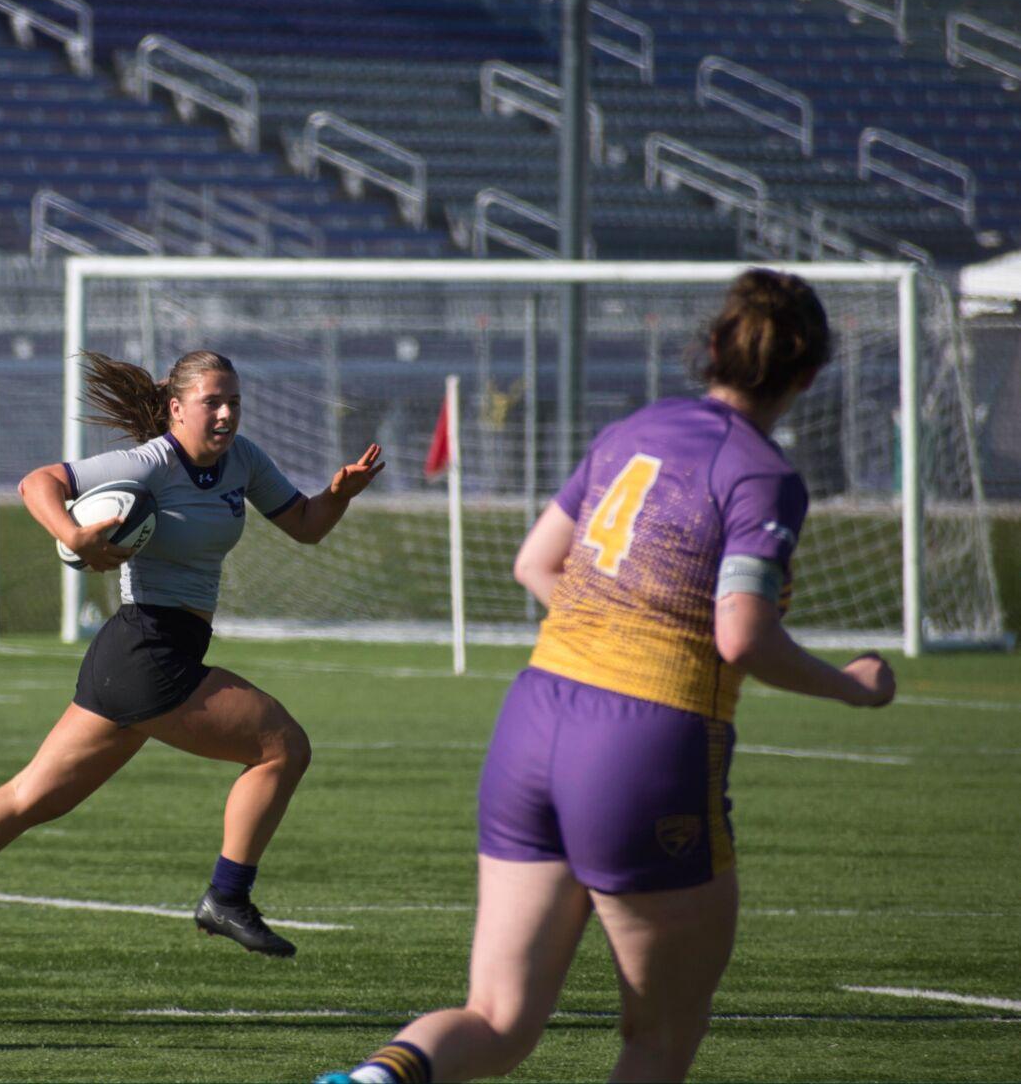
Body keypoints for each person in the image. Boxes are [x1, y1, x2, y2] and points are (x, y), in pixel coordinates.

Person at [320, 269, 897, 1084]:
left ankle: (378, 1080)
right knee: (657, 1037)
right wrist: (851, 683)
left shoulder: (635, 428)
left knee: (498, 1018)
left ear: (709, 349)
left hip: (535, 718)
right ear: (807, 377)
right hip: (644, 742)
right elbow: (739, 634)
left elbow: (534, 563)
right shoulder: (764, 473)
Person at [0, 349, 385, 989]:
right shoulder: (149, 463)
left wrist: (337, 493)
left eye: (234, 402)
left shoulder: (243, 460)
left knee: (31, 797)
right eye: (212, 402)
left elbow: (306, 526)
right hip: (149, 651)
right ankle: (227, 897)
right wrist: (75, 535)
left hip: (136, 657)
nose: (226, 414)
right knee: (282, 747)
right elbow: (38, 482)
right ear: (176, 408)